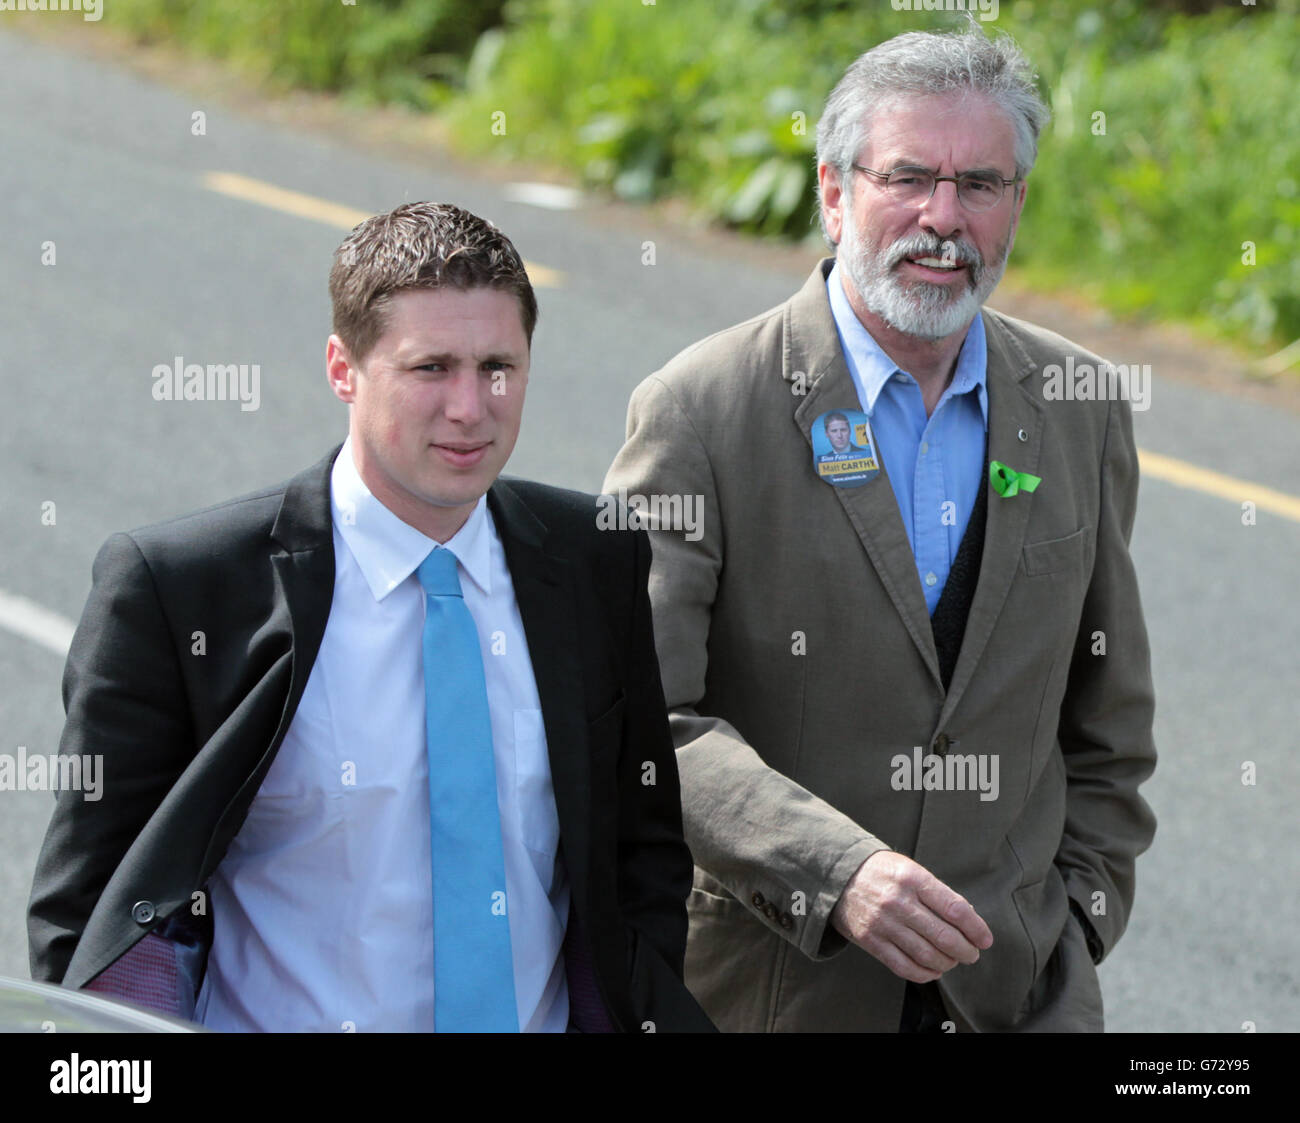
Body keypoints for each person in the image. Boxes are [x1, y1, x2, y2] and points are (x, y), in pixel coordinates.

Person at [28, 201, 712, 1034]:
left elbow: (641, 850)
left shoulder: (593, 558)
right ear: (342, 368)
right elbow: (92, 907)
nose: (471, 406)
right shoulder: (180, 588)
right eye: (431, 369)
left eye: (498, 365)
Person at [604, 25, 1156, 1032]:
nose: (941, 219)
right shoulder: (698, 408)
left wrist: (1072, 922)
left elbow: (1106, 726)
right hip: (773, 998)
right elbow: (639, 723)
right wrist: (838, 871)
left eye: (979, 184)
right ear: (832, 190)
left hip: (1016, 1000)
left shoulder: (1080, 404)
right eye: (907, 177)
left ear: (1017, 204)